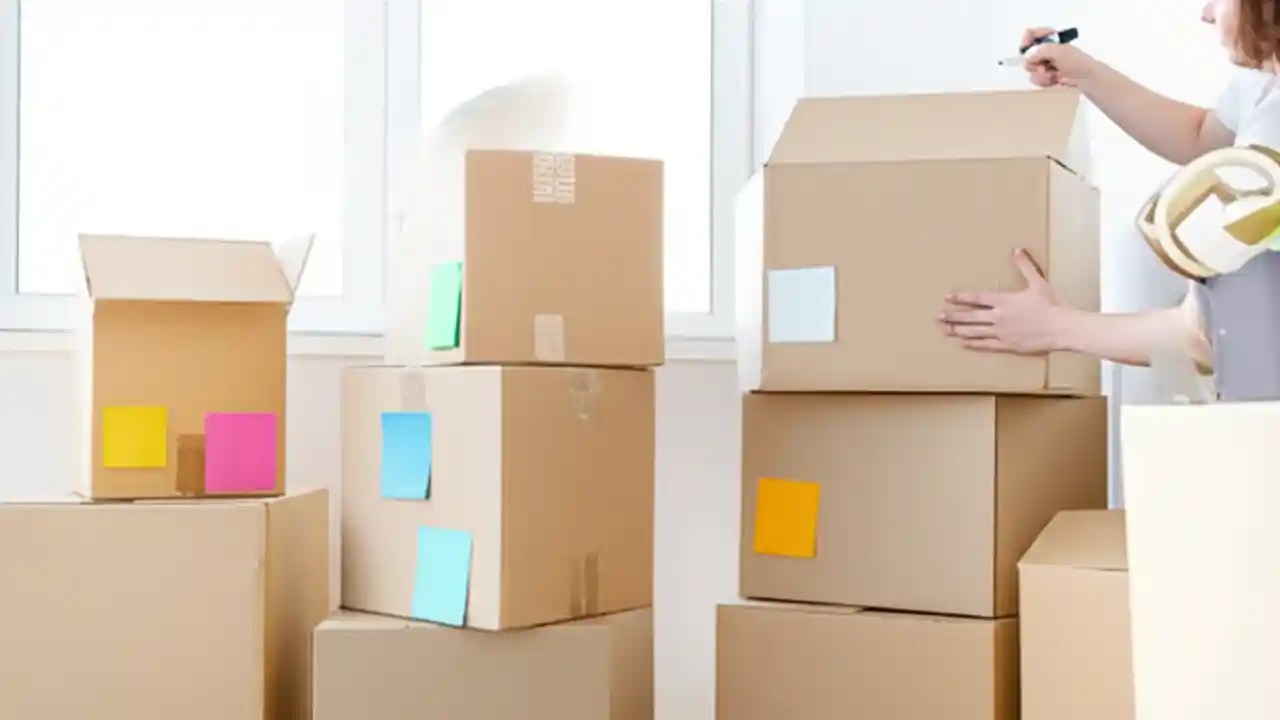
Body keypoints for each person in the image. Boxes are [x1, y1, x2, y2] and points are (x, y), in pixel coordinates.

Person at [937, 0, 1280, 401]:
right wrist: (1085, 72)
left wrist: (1052, 327)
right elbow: (1201, 135)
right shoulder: (1263, 87)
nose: (1205, 13)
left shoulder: (1269, 148)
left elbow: (1208, 336)